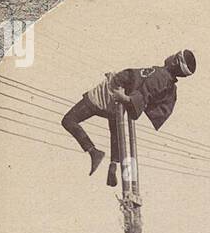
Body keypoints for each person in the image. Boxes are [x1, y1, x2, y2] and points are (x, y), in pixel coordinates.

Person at [61, 50, 196, 185]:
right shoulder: (166, 80)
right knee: (115, 131)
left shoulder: (161, 77)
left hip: (111, 92)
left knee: (69, 120)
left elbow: (144, 94)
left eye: (175, 55)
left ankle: (93, 151)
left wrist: (124, 97)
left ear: (175, 61)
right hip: (118, 95)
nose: (170, 55)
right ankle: (113, 164)